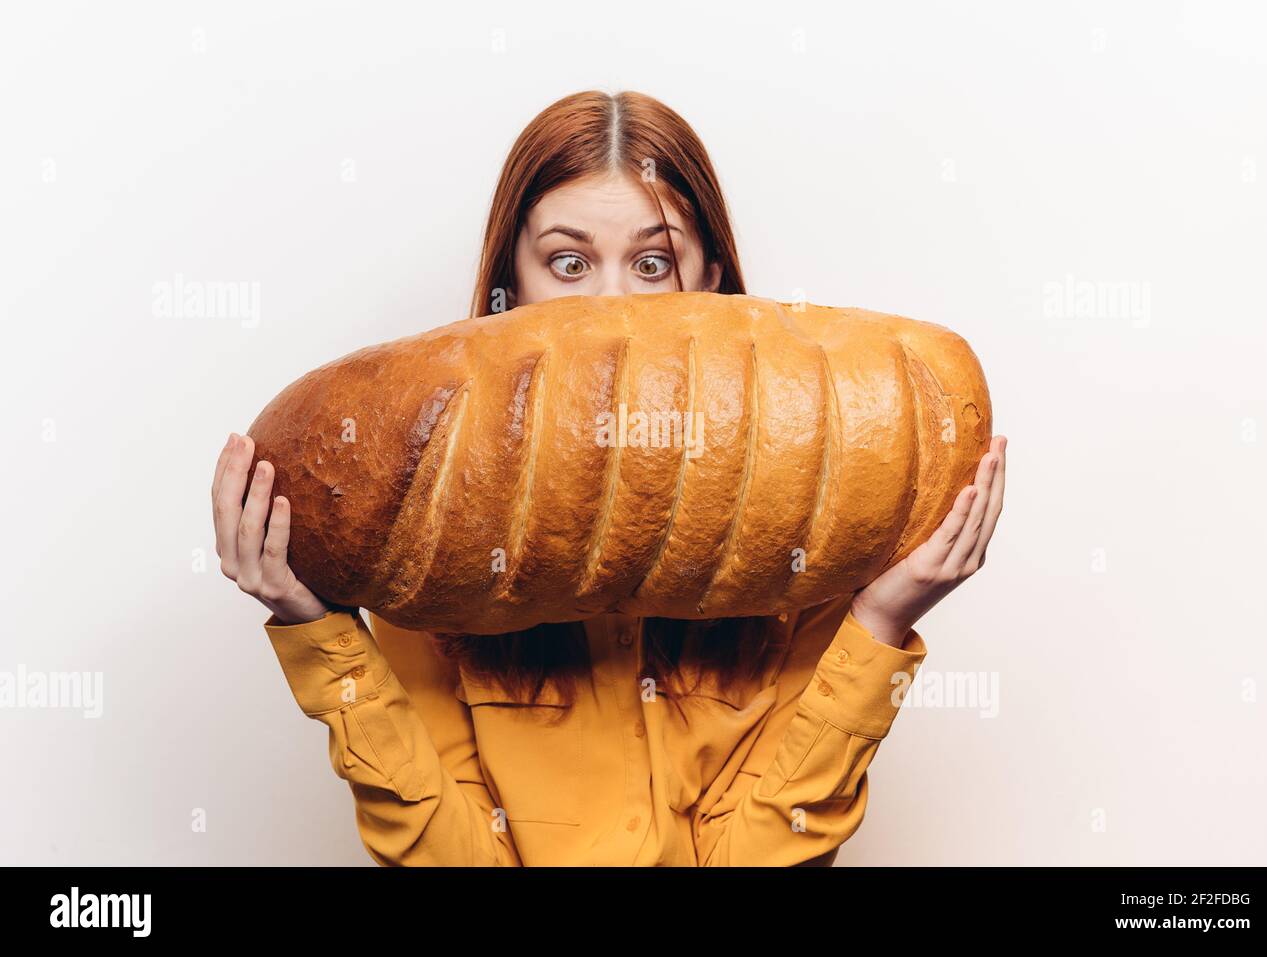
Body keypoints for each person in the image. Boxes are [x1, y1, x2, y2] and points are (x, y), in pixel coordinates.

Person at [211, 90, 1008, 866]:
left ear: (711, 291)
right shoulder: (435, 548)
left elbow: (769, 853)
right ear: (508, 291)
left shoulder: (803, 541)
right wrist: (318, 631)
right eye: (568, 261)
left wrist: (879, 621)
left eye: (652, 263)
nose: (610, 309)